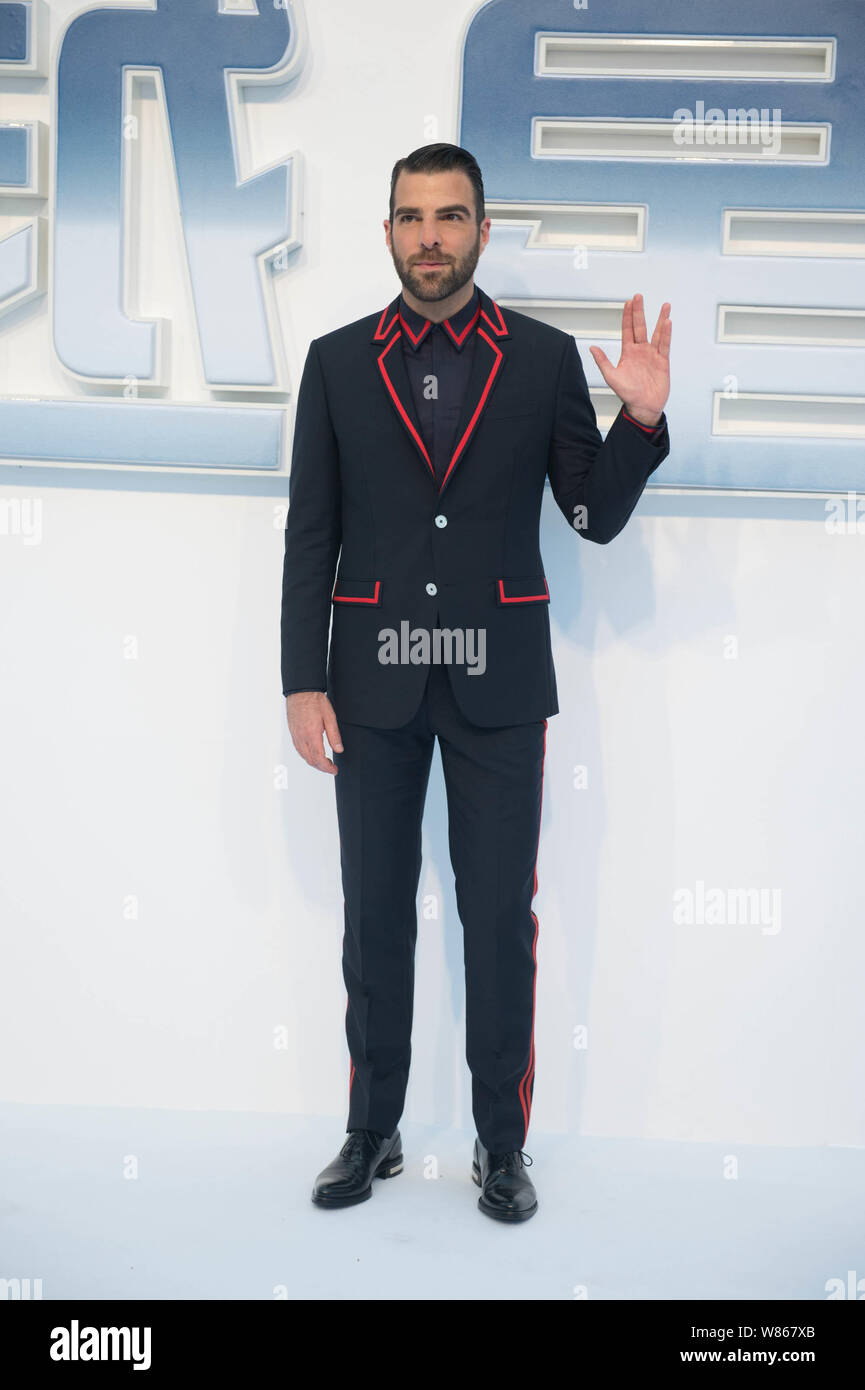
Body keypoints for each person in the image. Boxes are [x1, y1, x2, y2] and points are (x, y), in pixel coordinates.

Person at [281, 143, 671, 1222]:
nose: (430, 238)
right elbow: (311, 535)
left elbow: (589, 519)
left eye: (451, 218)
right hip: (369, 685)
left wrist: (634, 423)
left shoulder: (542, 361)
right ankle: (373, 1131)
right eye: (411, 218)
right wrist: (299, 681)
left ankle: (504, 1147)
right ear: (389, 230)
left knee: (497, 914)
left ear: (482, 230)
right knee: (374, 916)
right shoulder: (336, 360)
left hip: (500, 683)